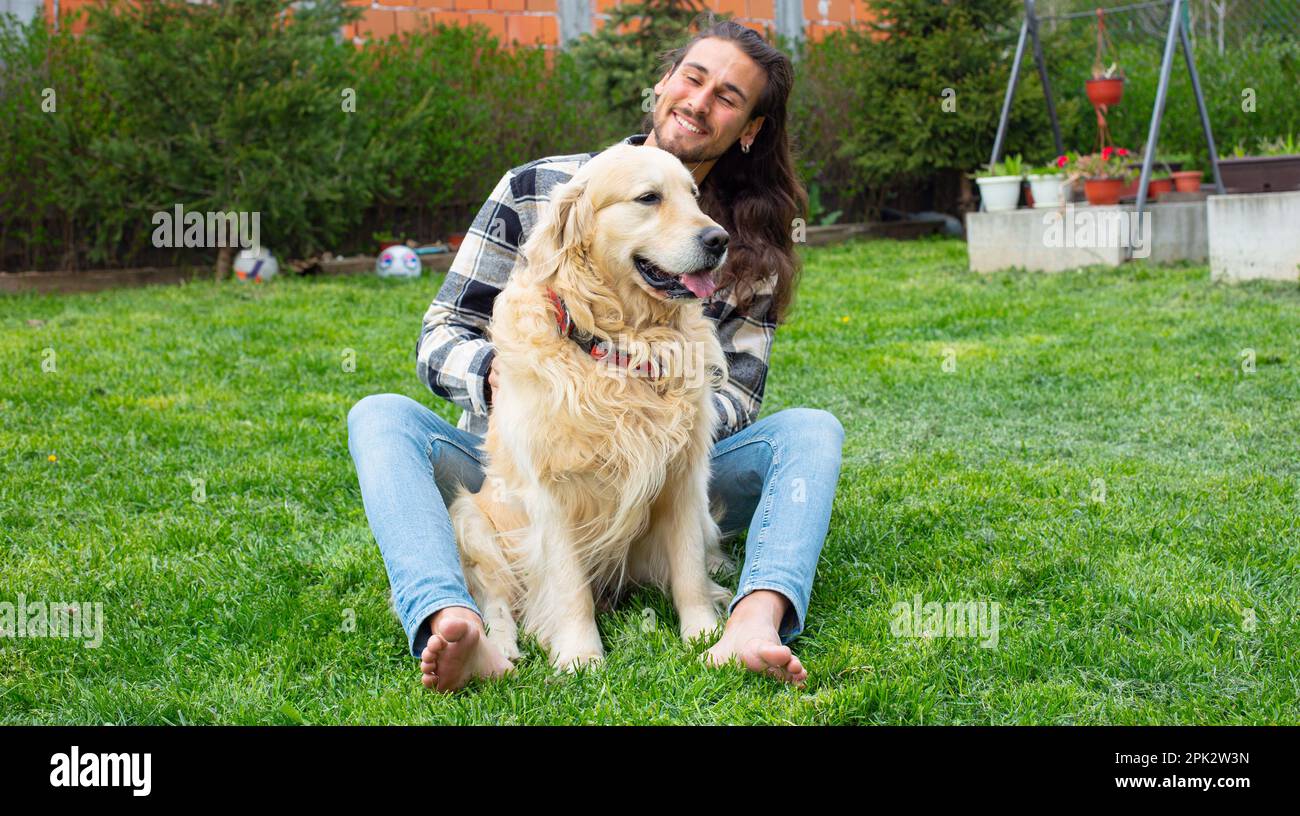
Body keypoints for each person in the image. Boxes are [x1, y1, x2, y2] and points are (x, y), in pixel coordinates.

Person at [347, 18, 843, 692]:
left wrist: (653, 399)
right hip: (515, 465)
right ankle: (454, 617)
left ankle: (754, 621)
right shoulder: (537, 189)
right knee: (380, 417)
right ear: (663, 83)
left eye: (728, 97)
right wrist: (504, 376)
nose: (700, 102)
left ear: (750, 127)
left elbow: (740, 400)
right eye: (693, 78)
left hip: (670, 478)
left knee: (811, 429)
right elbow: (441, 331)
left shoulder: (740, 241)